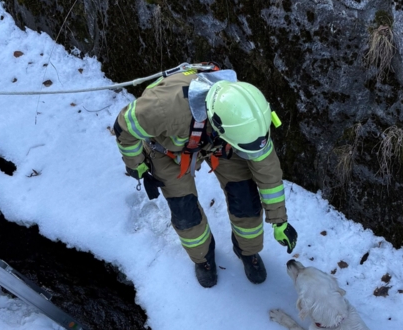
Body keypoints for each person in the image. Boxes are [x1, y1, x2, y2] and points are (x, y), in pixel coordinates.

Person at [112, 65, 298, 288]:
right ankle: (203, 259)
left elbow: (268, 172)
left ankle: (247, 252)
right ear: (219, 126)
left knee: (247, 202)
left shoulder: (249, 119)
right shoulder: (163, 109)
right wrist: (136, 164)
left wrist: (279, 220)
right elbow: (124, 127)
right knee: (185, 213)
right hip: (169, 150)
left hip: (218, 143)